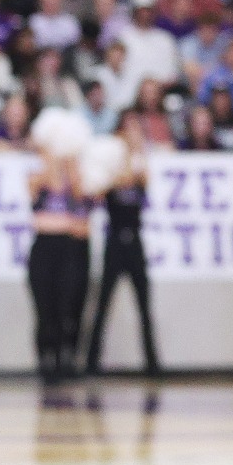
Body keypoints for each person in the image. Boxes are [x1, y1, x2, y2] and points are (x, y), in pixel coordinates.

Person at [84, 119, 160, 373]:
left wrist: (137, 153)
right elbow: (109, 186)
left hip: (135, 241)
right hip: (114, 241)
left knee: (144, 305)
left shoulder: (139, 168)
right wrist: (125, 155)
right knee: (103, 303)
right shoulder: (112, 169)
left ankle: (152, 362)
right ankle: (91, 360)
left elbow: (143, 180)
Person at [27, 142, 92, 380]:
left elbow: (83, 216)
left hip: (69, 249)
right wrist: (51, 166)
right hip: (44, 248)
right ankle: (46, 359)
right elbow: (35, 195)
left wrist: (71, 170)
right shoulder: (38, 177)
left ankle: (67, 358)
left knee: (69, 306)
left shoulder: (76, 180)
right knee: (45, 309)